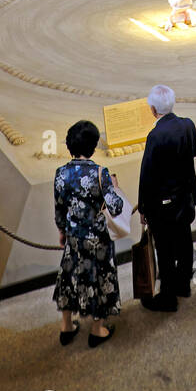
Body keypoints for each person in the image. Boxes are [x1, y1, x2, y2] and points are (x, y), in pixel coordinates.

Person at [53, 120, 124, 348]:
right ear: (93, 146)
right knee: (99, 280)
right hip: (97, 239)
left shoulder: (60, 174)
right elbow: (116, 207)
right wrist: (113, 185)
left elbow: (59, 208)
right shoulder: (100, 173)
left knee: (68, 278)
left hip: (74, 237)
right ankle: (97, 329)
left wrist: (63, 231)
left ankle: (66, 326)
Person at [138, 85, 196, 313]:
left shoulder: (155, 136)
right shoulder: (188, 125)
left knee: (164, 249)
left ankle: (168, 297)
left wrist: (143, 206)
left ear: (153, 110)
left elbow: (147, 175)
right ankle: (183, 285)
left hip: (163, 203)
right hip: (185, 196)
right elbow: (194, 152)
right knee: (184, 240)